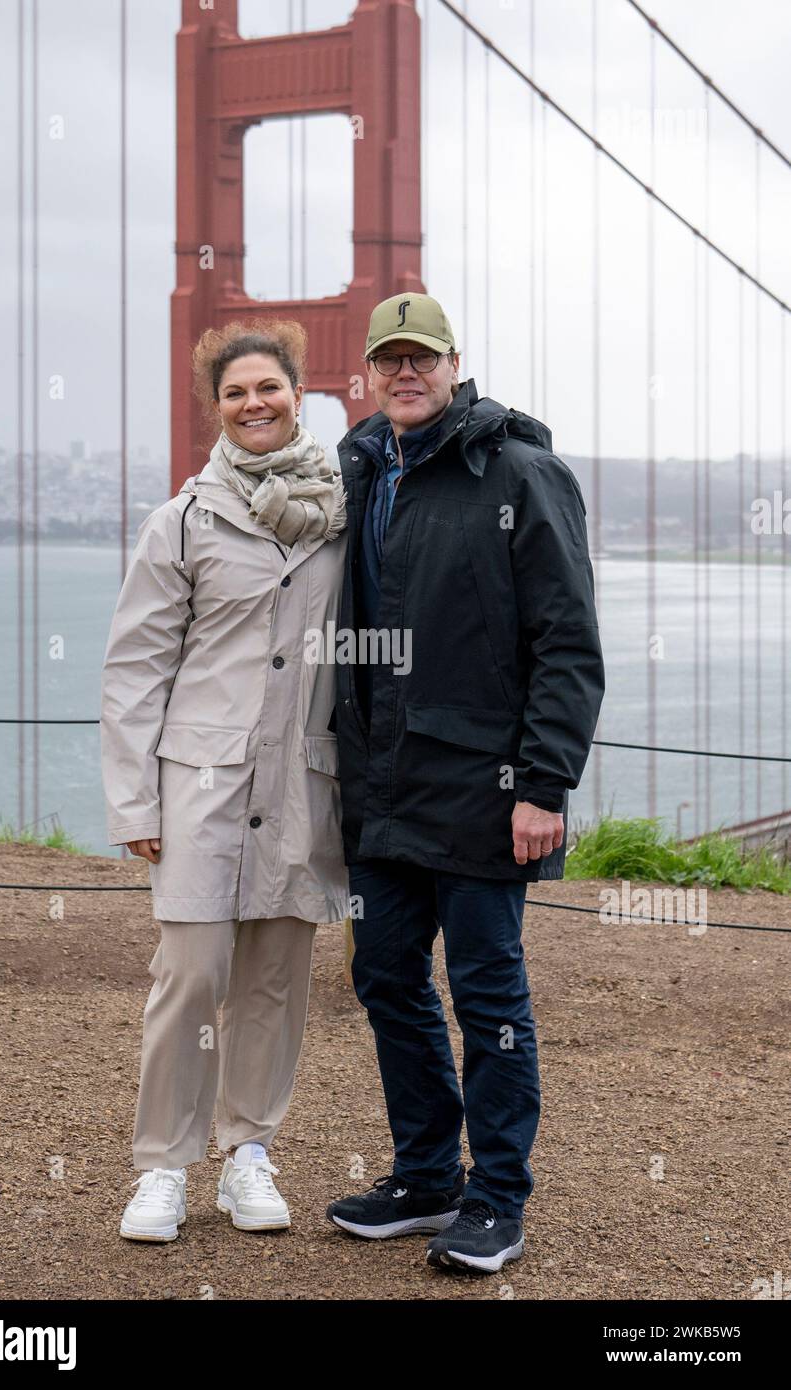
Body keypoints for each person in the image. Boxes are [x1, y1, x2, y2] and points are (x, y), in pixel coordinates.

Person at [326, 292, 605, 1274]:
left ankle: (495, 1200)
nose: (405, 374)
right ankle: (424, 1175)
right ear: (365, 375)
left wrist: (542, 782)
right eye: (388, 360)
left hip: (485, 791)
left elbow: (565, 640)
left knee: (485, 993)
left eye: (422, 358)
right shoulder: (358, 471)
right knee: (385, 976)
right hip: (383, 789)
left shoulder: (519, 473)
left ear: (454, 366)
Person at [99, 318, 350, 1242]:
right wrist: (134, 798)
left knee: (277, 981)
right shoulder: (184, 521)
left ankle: (250, 1153)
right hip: (197, 784)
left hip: (300, 782)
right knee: (191, 973)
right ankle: (164, 1163)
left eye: (270, 389)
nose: (255, 404)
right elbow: (136, 668)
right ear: (218, 405)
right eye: (237, 392)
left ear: (298, 396)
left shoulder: (341, 513)